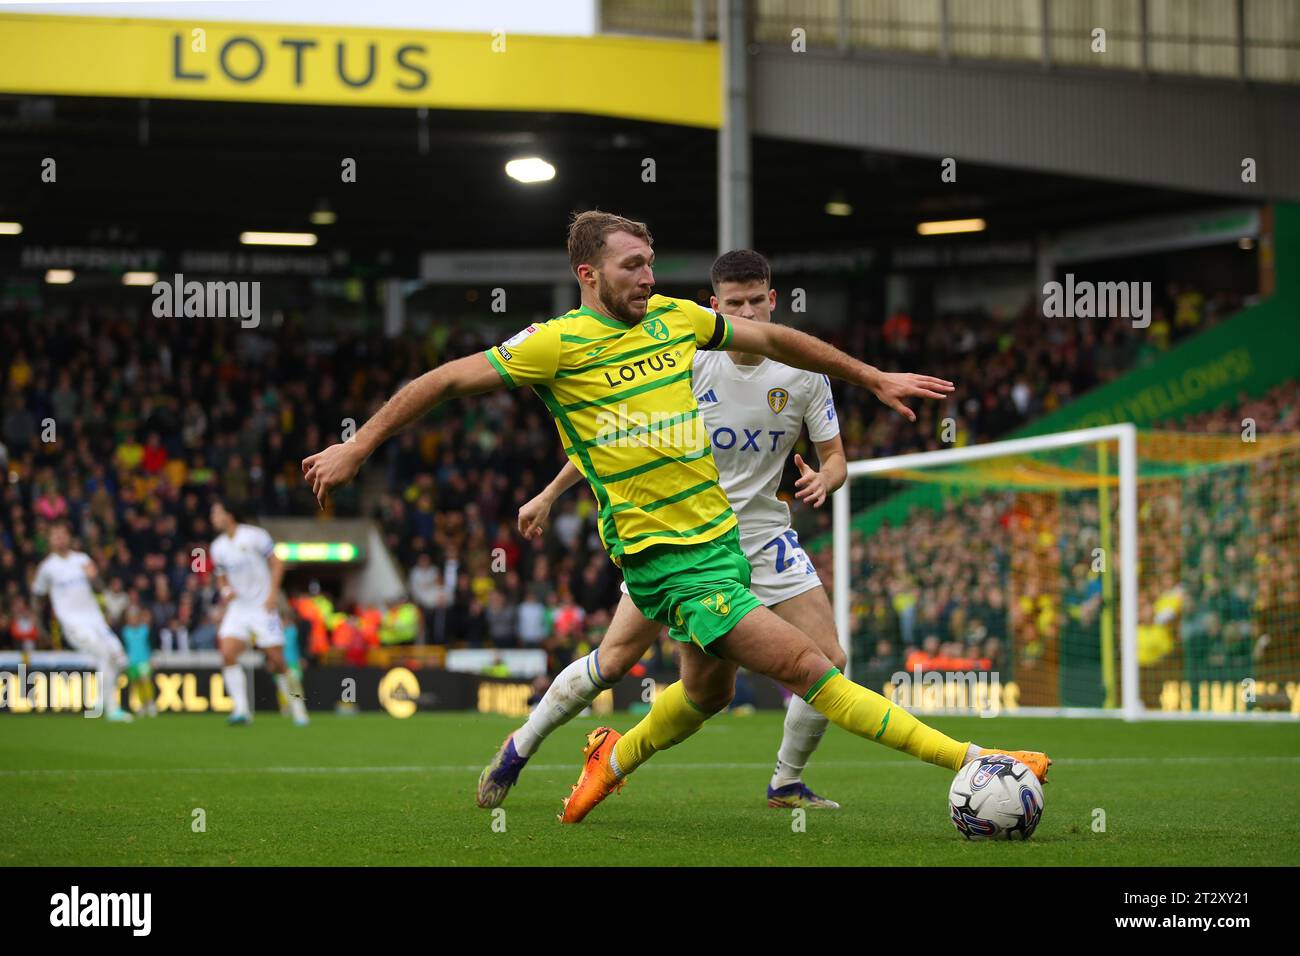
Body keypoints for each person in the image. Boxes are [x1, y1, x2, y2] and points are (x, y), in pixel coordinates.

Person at [301, 210, 1049, 826]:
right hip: (666, 560)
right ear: (588, 274)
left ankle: (610, 760)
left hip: (726, 542)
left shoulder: (676, 321)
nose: (649, 277)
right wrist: (359, 445)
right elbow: (442, 380)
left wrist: (871, 374)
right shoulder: (553, 344)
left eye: (652, 263)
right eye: (633, 266)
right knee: (807, 665)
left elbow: (777, 340)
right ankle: (973, 759)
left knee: (707, 695)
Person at [477, 249, 851, 811]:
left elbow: (837, 458)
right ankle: (520, 745)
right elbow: (618, 442)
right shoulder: (688, 360)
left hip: (763, 534)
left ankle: (786, 781)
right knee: (617, 663)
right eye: (735, 304)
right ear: (715, 306)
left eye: (757, 301)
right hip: (682, 536)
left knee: (830, 660)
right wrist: (550, 493)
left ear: (773, 301)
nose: (747, 313)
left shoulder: (804, 373)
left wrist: (827, 479)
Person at [209, 501, 308, 726]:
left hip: (263, 608)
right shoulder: (217, 547)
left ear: (229, 514)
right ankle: (242, 710)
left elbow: (277, 563)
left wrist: (272, 595)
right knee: (226, 653)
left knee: (277, 661)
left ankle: (298, 707)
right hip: (239, 609)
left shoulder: (255, 536)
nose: (212, 518)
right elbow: (221, 576)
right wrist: (225, 590)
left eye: (216, 513)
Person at [31, 521, 132, 721]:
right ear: (50, 541)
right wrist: (40, 627)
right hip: (73, 624)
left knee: (121, 660)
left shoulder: (82, 559)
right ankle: (111, 709)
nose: (59, 539)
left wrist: (94, 577)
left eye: (62, 534)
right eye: (55, 535)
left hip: (96, 621)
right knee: (104, 655)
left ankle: (100, 700)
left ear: (69, 537)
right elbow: (37, 597)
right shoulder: (47, 568)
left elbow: (100, 588)